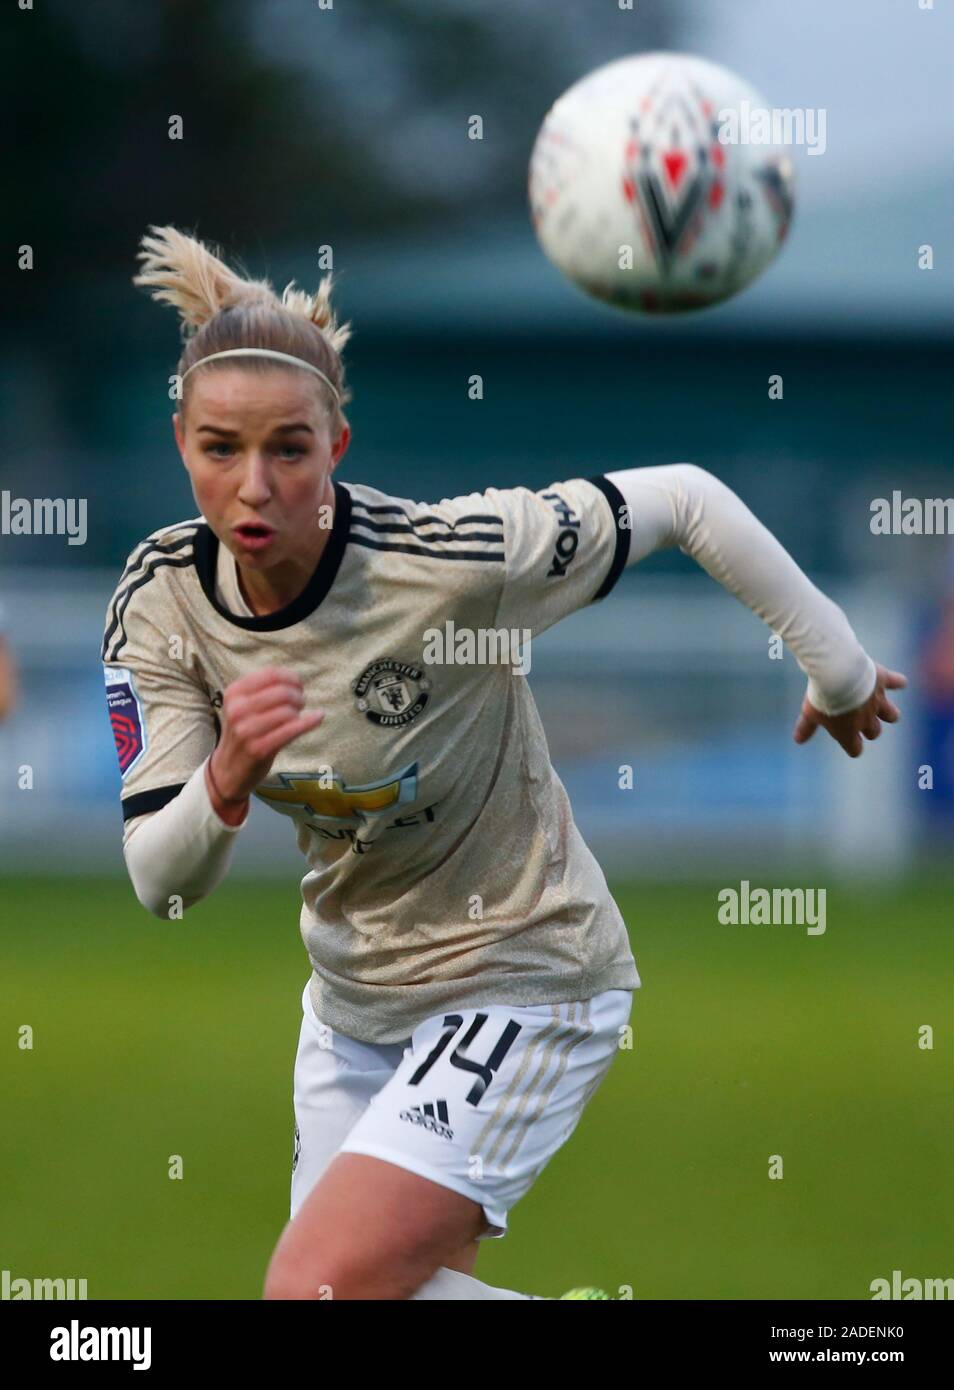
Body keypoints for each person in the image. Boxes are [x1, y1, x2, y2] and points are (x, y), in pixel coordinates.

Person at [103, 225, 906, 1301]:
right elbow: (161, 881)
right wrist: (225, 778)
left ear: (338, 445)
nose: (253, 485)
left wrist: (840, 665)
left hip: (524, 970)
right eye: (219, 448)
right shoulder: (159, 600)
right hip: (352, 1003)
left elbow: (683, 496)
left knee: (314, 1291)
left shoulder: (453, 563)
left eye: (289, 449)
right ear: (179, 442)